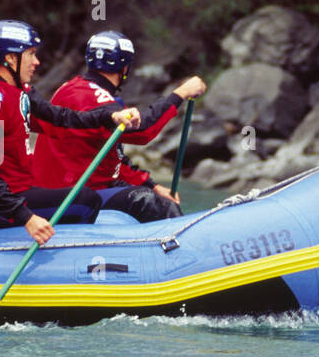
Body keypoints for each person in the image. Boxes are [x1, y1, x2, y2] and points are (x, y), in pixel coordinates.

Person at [0, 20, 141, 246]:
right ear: (10, 58)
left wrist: (108, 116)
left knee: (75, 194)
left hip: (3, 195)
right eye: (30, 54)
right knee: (86, 200)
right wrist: (26, 217)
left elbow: (60, 117)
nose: (36, 62)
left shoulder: (15, 88)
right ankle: (69, 264)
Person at [33, 30, 206, 222]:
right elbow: (143, 131)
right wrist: (180, 93)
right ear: (124, 67)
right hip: (70, 195)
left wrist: (151, 185)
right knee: (151, 203)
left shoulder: (72, 88)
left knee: (151, 195)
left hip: (82, 186)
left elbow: (110, 157)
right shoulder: (94, 97)